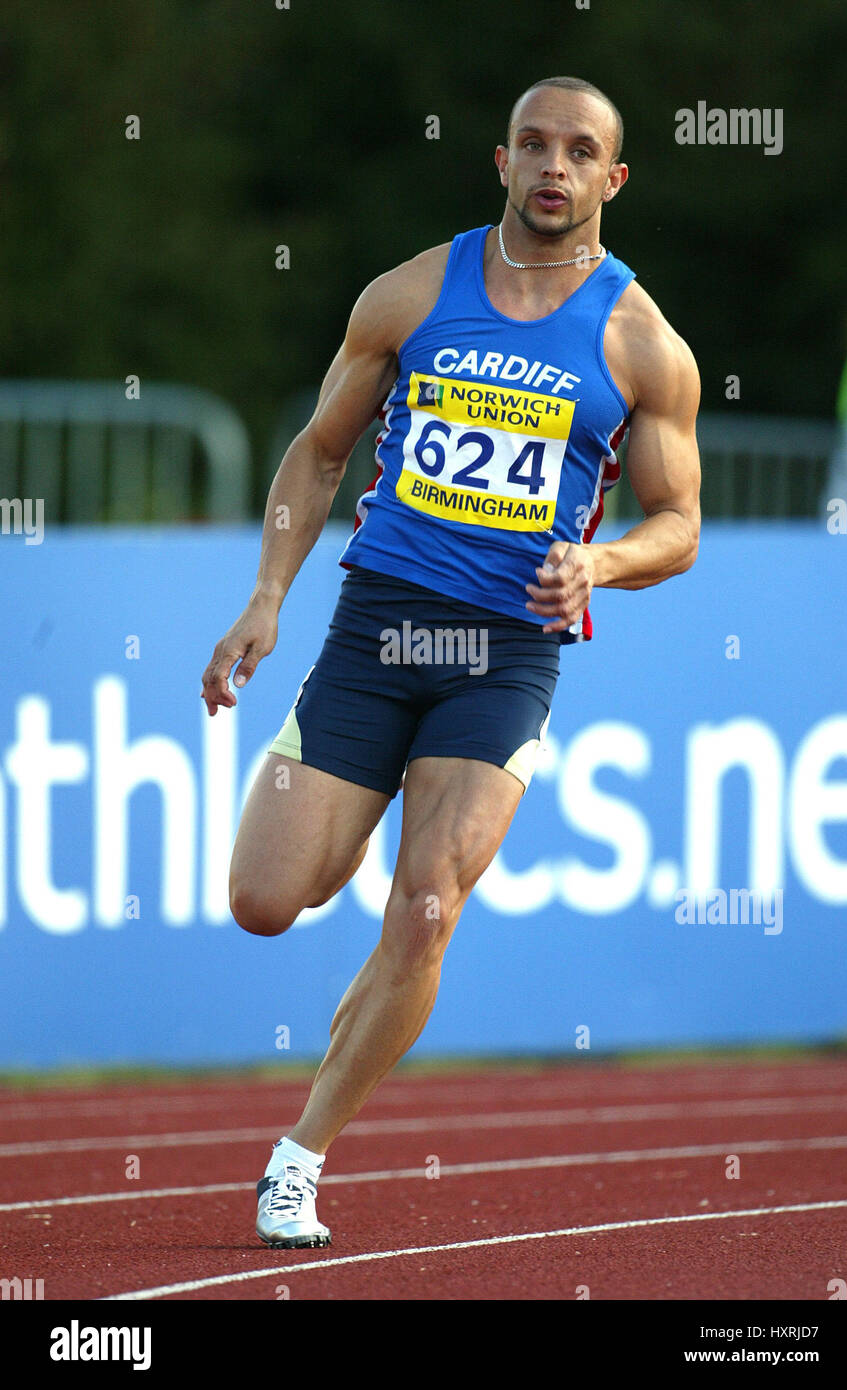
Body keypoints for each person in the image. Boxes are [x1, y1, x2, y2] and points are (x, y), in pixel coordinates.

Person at [200, 75, 702, 1249]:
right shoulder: (412, 291)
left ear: (611, 179)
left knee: (425, 905)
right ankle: (338, 908)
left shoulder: (640, 341)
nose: (553, 167)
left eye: (580, 152)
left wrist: (604, 566)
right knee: (266, 901)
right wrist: (264, 599)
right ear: (500, 159)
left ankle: (298, 1156)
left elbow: (676, 523)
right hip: (374, 629)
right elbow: (319, 453)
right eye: (534, 144)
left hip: (504, 654)